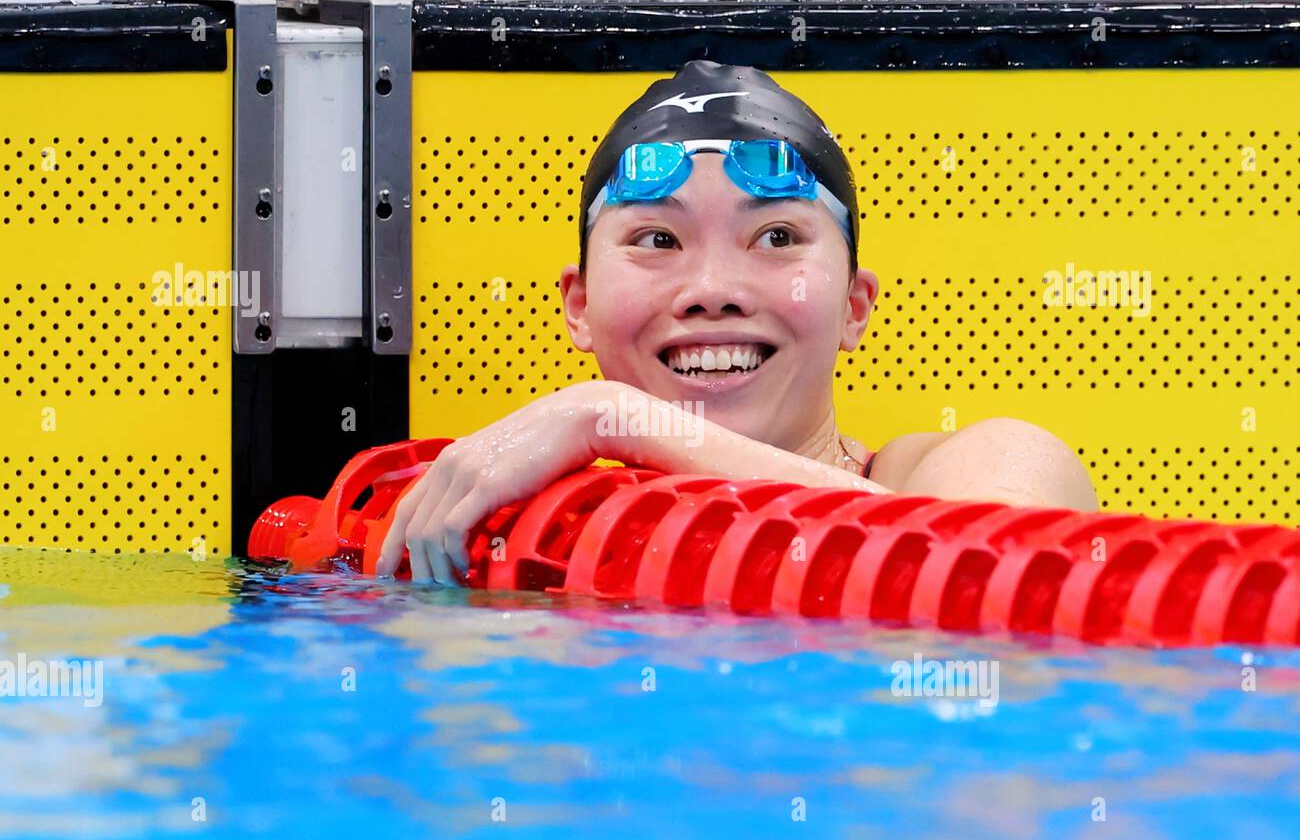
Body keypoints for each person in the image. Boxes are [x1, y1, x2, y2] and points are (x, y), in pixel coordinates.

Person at [378, 60, 1097, 584]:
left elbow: (992, 581)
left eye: (777, 238)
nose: (713, 290)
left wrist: (614, 415)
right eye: (657, 239)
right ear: (579, 306)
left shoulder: (992, 459)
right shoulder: (501, 529)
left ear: (854, 306)